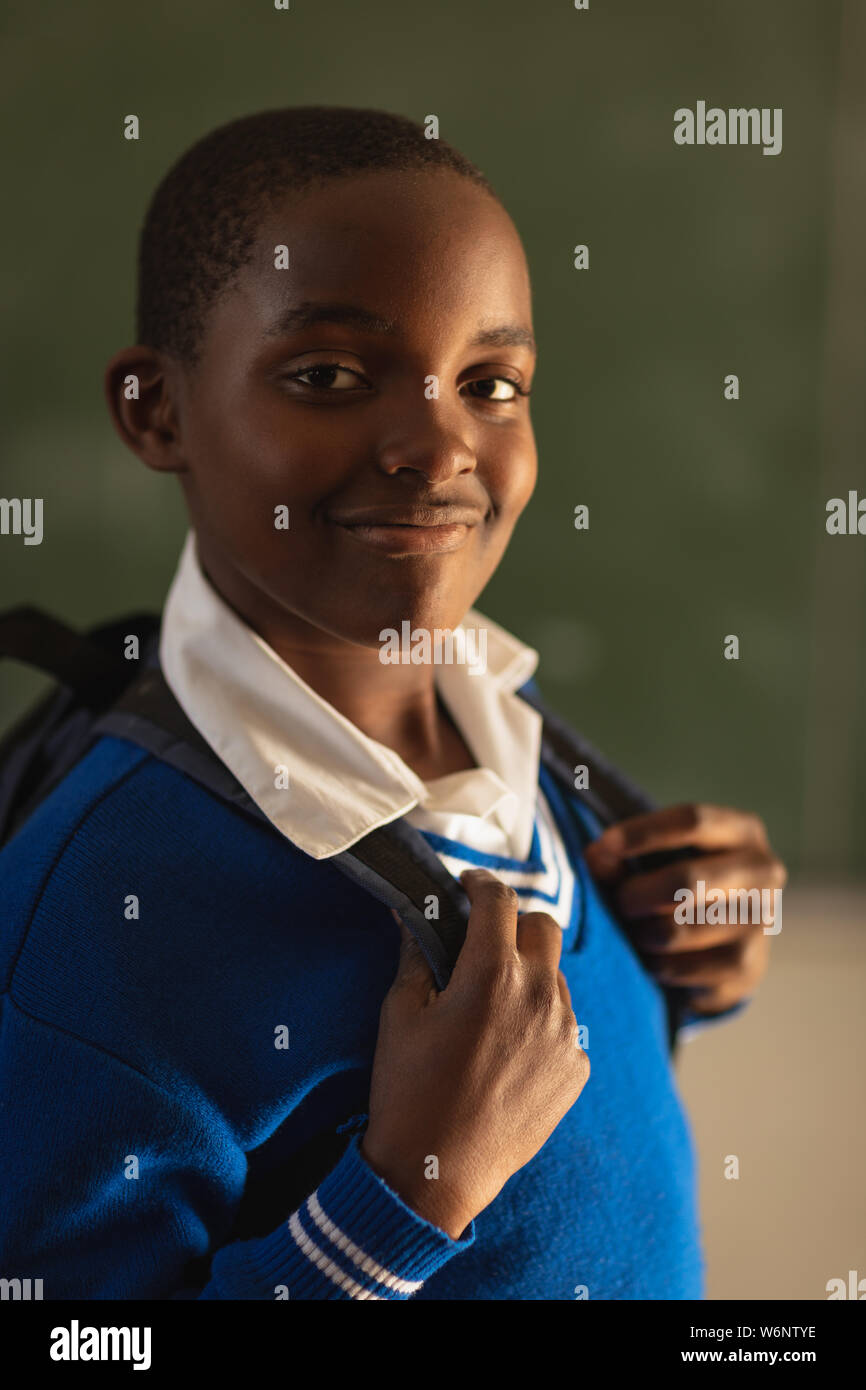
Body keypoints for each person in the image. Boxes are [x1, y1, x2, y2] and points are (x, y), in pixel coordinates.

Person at [0, 107, 786, 1300]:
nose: (437, 445)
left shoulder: (529, 755)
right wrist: (406, 1196)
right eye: (327, 375)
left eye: (490, 382)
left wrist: (687, 950)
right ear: (156, 411)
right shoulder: (95, 922)